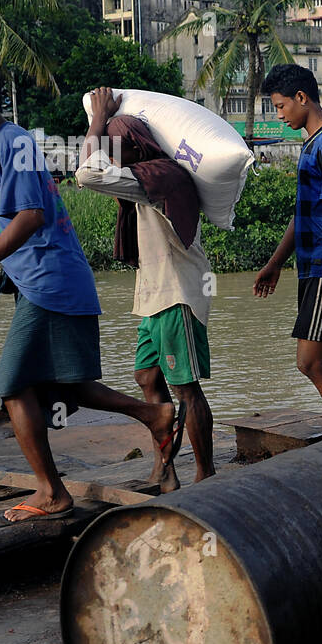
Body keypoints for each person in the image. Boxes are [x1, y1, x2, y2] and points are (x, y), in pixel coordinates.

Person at [0, 41, 180, 522]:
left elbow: (29, 216)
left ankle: (52, 494)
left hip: (52, 283)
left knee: (12, 387)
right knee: (67, 385)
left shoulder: (15, 142)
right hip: (43, 284)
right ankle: (155, 415)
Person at [75, 89, 216, 488]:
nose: (109, 154)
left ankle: (206, 473)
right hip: (153, 293)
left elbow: (86, 173)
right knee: (146, 377)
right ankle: (166, 467)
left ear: (134, 148)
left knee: (185, 386)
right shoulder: (142, 178)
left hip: (178, 293)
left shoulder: (161, 176)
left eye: (114, 146)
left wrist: (98, 117)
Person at [254, 64, 322, 433]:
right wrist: (275, 263)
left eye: (282, 106)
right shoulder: (314, 144)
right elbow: (302, 215)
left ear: (302, 98)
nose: (280, 115)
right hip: (314, 268)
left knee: (310, 362)